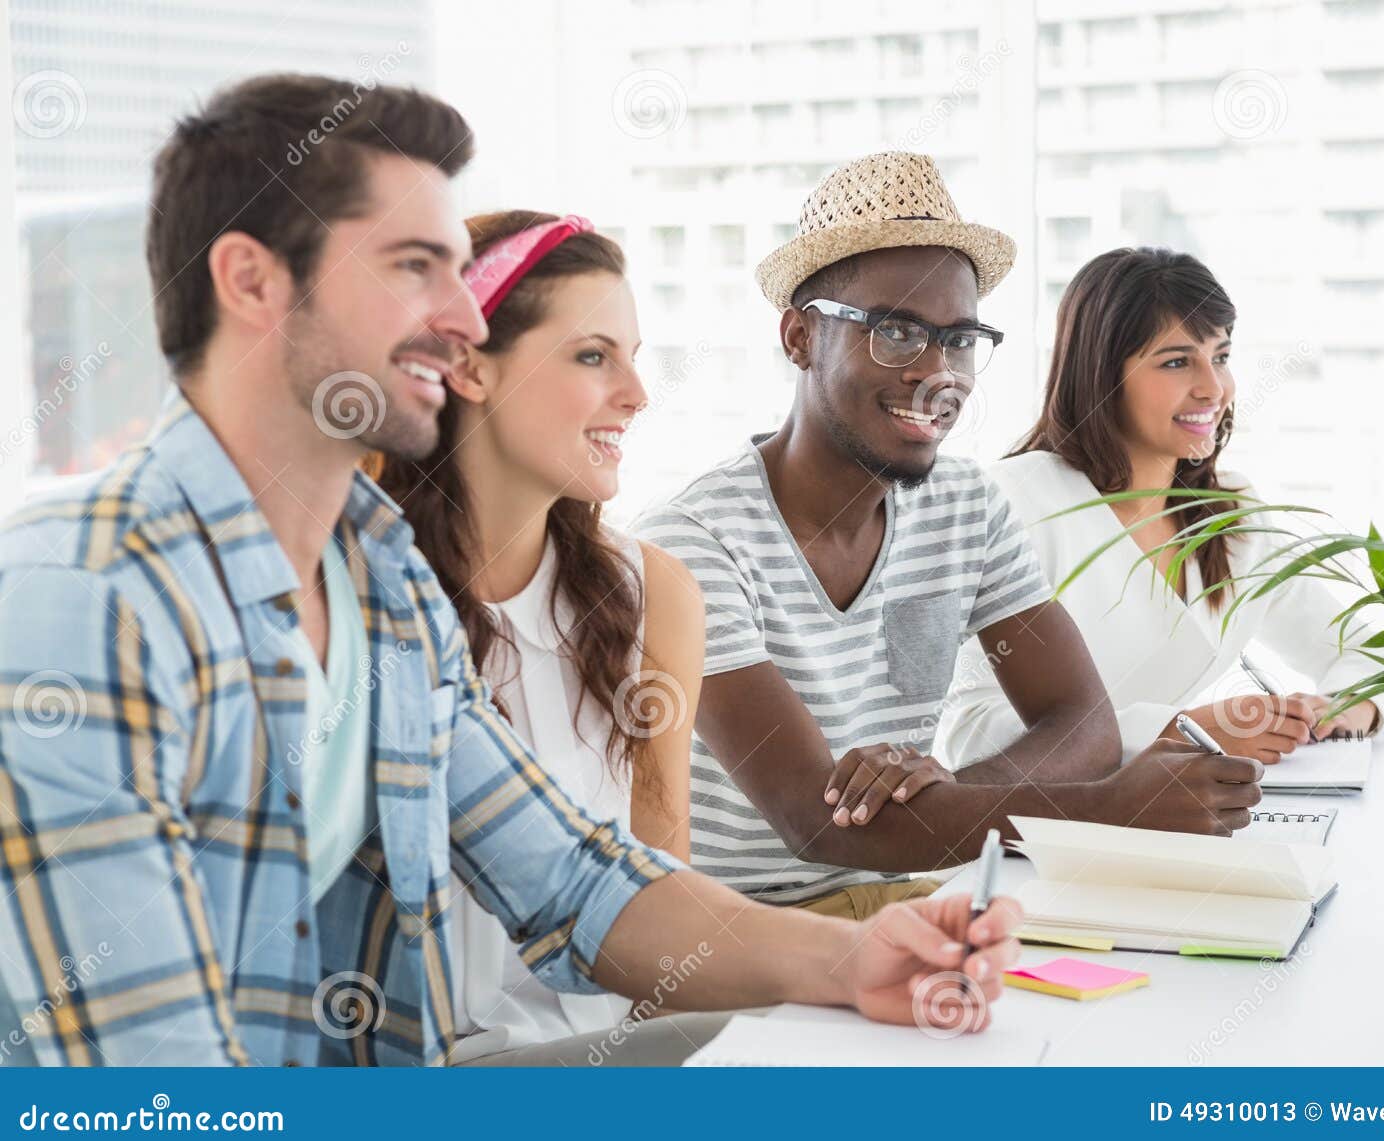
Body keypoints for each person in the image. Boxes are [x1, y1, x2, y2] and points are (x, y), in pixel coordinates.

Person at [0, 75, 1021, 1068]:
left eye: (458, 268)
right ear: (252, 281)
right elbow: (151, 1095)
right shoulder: (87, 601)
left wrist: (852, 958)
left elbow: (575, 879)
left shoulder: (380, 586)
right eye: (413, 266)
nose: (462, 315)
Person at [635, 152, 1263, 920]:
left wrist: (945, 798)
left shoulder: (965, 505)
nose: (939, 374)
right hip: (749, 932)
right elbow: (817, 825)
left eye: (961, 339)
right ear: (799, 337)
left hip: (923, 890)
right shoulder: (694, 542)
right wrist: (1106, 809)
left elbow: (1085, 723)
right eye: (896, 332)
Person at [372, 209, 700, 1063]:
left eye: (634, 355)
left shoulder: (654, 593)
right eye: (594, 355)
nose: (636, 392)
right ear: (469, 367)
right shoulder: (361, 596)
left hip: (606, 1058)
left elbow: (666, 883)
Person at [936, 247, 1382, 772]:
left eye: (1220, 357)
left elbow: (1368, 650)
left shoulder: (1234, 514)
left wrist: (1343, 707)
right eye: (1176, 362)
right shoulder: (1019, 499)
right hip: (1038, 842)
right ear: (1101, 374)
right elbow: (966, 735)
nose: (1213, 389)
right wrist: (1176, 732)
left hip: (1178, 822)